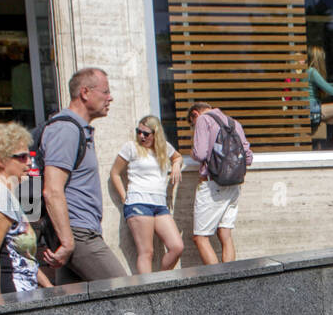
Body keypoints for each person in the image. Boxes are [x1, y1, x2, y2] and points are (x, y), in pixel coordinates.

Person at [39, 67, 126, 285]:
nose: (110, 97)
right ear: (85, 92)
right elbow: (52, 190)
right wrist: (68, 242)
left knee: (76, 312)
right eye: (105, 91)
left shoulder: (77, 129)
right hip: (78, 235)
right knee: (127, 293)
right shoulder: (66, 130)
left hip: (80, 234)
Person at [109, 115, 184, 273]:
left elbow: (177, 157)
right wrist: (125, 198)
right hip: (138, 202)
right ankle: (147, 293)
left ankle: (160, 282)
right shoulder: (131, 147)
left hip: (160, 205)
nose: (141, 136)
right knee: (146, 252)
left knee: (177, 246)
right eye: (139, 132)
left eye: (146, 133)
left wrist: (176, 165)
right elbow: (115, 173)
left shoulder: (164, 149)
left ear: (156, 134)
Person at [188, 101, 254, 265]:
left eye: (192, 124)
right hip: (234, 185)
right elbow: (248, 158)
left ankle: (217, 282)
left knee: (200, 237)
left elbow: (201, 154)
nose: (194, 128)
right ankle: (230, 279)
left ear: (195, 114)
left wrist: (192, 152)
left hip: (213, 185)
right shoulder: (234, 123)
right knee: (225, 234)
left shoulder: (203, 120)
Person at [0, 122, 52, 293]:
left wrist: (49, 286)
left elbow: (24, 258)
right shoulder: (1, 197)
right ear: (0, 160)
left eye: (30, 156)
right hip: (12, 292)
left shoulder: (8, 194)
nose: (29, 162)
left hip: (25, 290)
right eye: (22, 157)